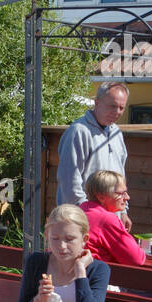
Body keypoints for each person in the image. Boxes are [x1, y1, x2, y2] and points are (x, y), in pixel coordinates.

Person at [13, 204, 110, 302]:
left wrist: (80, 272)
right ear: (47, 236)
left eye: (69, 239)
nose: (62, 246)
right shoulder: (36, 262)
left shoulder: (98, 270)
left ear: (84, 239)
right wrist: (37, 301)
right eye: (55, 238)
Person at [56, 81, 130, 231]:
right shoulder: (78, 132)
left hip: (109, 220)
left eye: (121, 108)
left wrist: (123, 211)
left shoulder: (116, 133)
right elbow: (69, 181)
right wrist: (87, 215)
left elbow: (120, 176)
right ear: (97, 102)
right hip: (81, 221)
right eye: (112, 106)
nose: (117, 112)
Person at [80, 170, 144, 266]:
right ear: (101, 197)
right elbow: (136, 259)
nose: (127, 197)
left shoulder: (82, 209)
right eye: (121, 193)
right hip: (91, 276)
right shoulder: (106, 219)